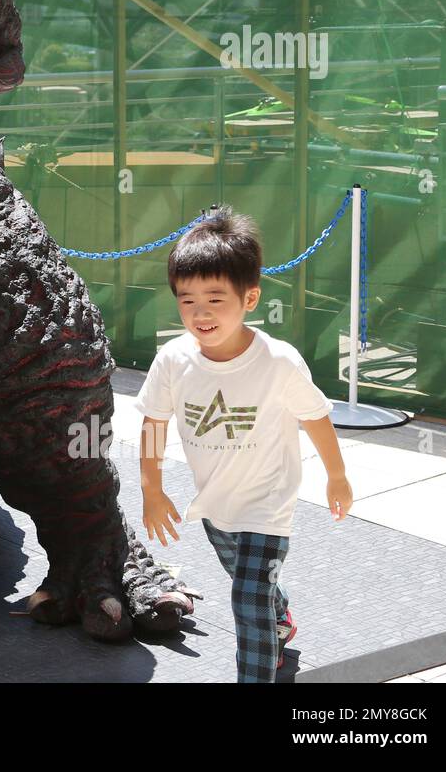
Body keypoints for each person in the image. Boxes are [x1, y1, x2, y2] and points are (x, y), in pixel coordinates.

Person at [135, 204, 353, 683]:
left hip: (269, 503)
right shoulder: (173, 360)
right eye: (187, 300)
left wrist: (337, 476)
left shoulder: (278, 361)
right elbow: (153, 422)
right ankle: (279, 615)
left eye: (215, 298)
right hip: (214, 503)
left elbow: (314, 416)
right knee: (251, 584)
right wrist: (151, 488)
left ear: (250, 298)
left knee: (245, 602)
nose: (200, 312)